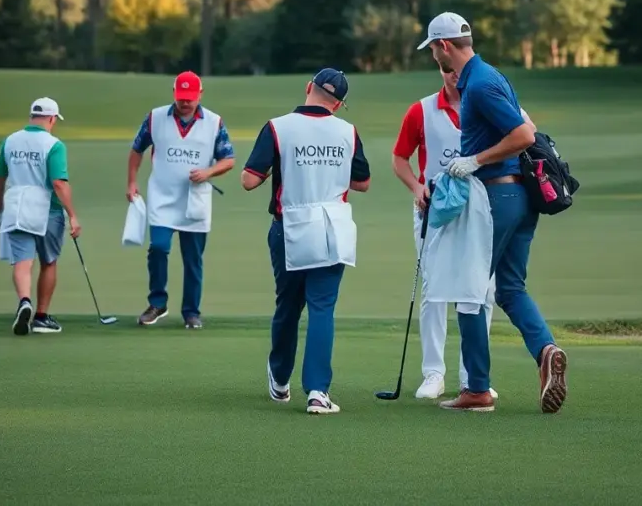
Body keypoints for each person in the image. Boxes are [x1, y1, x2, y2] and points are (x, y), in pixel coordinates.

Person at [418, 11, 568, 414]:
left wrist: (474, 160)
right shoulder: (491, 76)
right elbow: (525, 121)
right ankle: (546, 349)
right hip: (520, 198)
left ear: (445, 46)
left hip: (495, 198)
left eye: (433, 49)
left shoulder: (480, 86)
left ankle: (477, 390)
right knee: (510, 289)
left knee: (468, 291)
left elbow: (525, 135)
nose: (434, 57)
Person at [241, 69, 371, 415]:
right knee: (322, 308)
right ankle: (317, 392)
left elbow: (248, 180)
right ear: (340, 103)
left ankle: (280, 377)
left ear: (308, 88)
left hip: (291, 226)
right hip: (332, 226)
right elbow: (362, 182)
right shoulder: (348, 131)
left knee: (288, 305)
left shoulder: (277, 127)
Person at [391, 62, 499, 401]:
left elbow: (520, 134)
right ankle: (433, 373)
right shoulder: (420, 110)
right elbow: (399, 158)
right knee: (433, 288)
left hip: (479, 212)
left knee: (482, 289)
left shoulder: (487, 105)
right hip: (432, 210)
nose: (454, 74)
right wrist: (415, 186)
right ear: (440, 69)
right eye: (447, 69)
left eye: (459, 69)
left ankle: (473, 377)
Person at [127, 71, 235, 329]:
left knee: (193, 259)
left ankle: (191, 312)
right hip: (161, 197)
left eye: (190, 97)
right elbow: (137, 149)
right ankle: (157, 303)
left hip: (195, 200)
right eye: (181, 97)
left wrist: (208, 172)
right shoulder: (155, 118)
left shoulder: (214, 122)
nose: (185, 102)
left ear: (200, 94)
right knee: (159, 248)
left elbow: (228, 159)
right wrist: (132, 182)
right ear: (174, 93)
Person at [0, 97, 80, 336]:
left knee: (23, 261)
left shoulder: (10, 140)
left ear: (32, 116)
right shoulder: (54, 144)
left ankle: (24, 301)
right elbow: (58, 183)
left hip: (16, 208)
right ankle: (41, 316)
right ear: (52, 119)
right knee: (48, 261)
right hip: (47, 210)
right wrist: (73, 215)